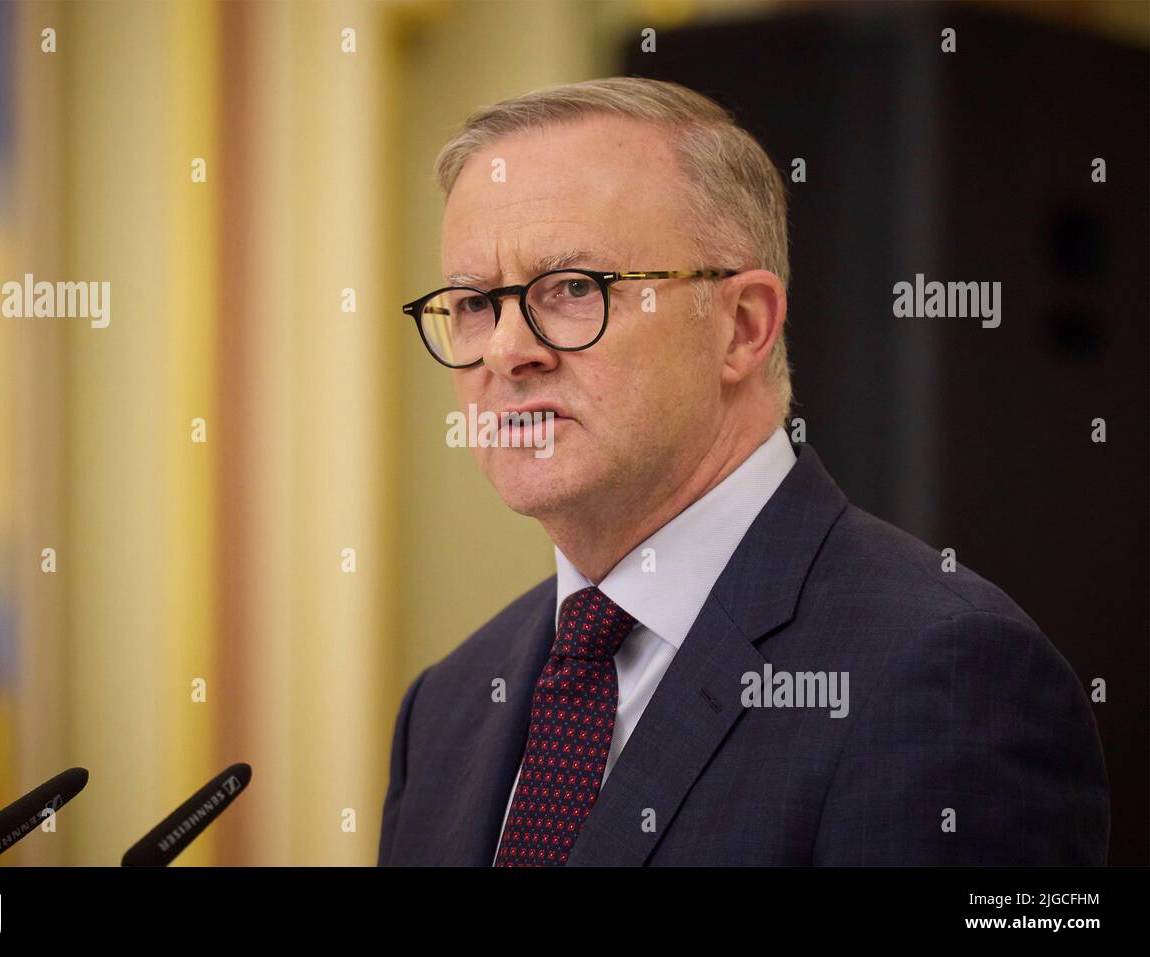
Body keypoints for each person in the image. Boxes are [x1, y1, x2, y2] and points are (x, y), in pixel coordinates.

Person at [378, 77, 1108, 866]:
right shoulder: (446, 706)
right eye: (474, 303)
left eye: (570, 289)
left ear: (743, 326)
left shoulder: (951, 675)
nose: (504, 351)